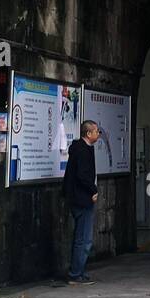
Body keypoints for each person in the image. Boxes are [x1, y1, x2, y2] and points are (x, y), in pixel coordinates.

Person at [62, 120, 101, 284]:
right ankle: (75, 274)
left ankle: (78, 271)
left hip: (76, 197)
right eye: (96, 131)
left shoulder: (78, 148)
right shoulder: (83, 151)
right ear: (88, 133)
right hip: (82, 198)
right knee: (84, 238)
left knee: (82, 237)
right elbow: (83, 176)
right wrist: (93, 190)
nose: (98, 134)